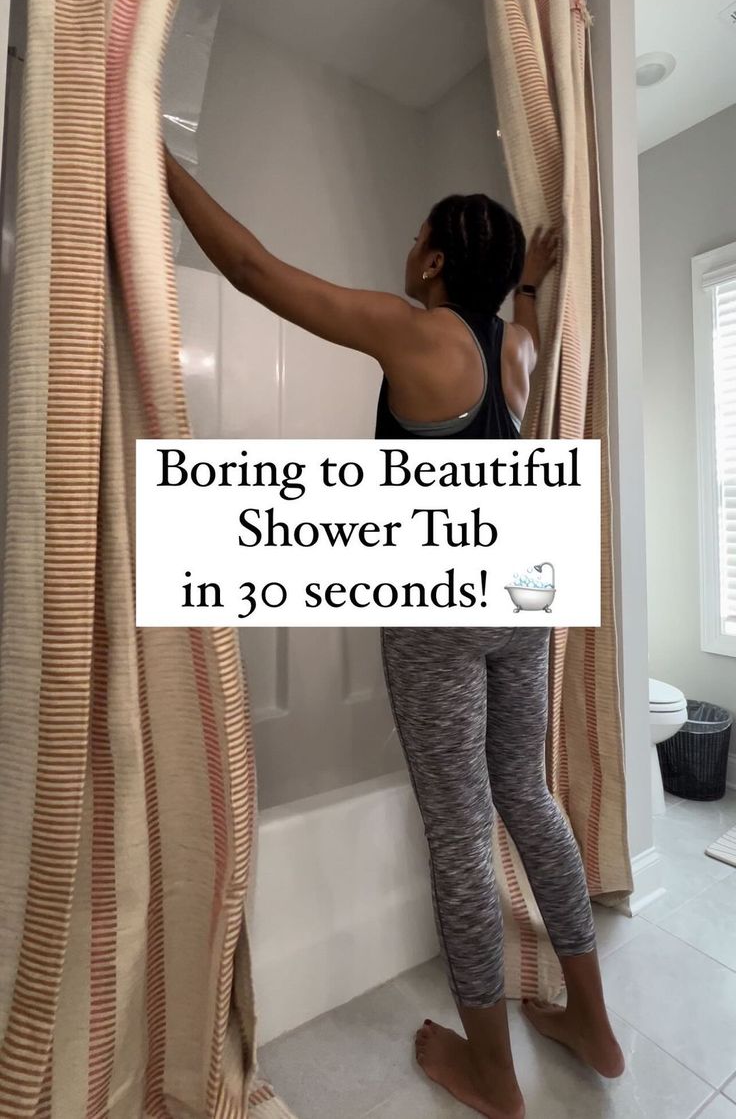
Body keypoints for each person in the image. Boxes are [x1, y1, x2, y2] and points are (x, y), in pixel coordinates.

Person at [164, 154, 624, 1119]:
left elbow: (251, 270)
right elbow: (529, 317)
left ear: (432, 263)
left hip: (442, 608)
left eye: (422, 234)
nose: (410, 244)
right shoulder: (515, 353)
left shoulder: (416, 335)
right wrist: (531, 281)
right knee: (526, 795)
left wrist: (154, 163)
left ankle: (495, 1076)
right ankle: (593, 1021)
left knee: (460, 830)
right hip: (521, 591)